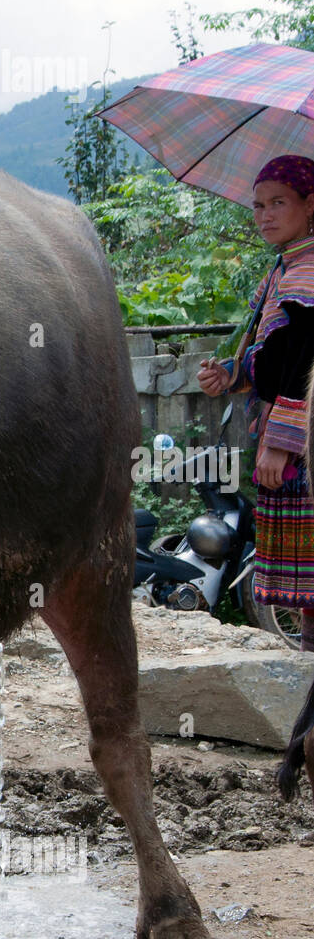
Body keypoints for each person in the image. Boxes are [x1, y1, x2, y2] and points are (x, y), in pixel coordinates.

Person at [199, 155, 314, 648]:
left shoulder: (308, 274)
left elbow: (304, 364)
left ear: (311, 205)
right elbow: (271, 358)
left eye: (279, 203)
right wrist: (229, 373)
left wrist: (282, 445)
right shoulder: (285, 267)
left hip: (304, 447)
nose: (265, 214)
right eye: (258, 205)